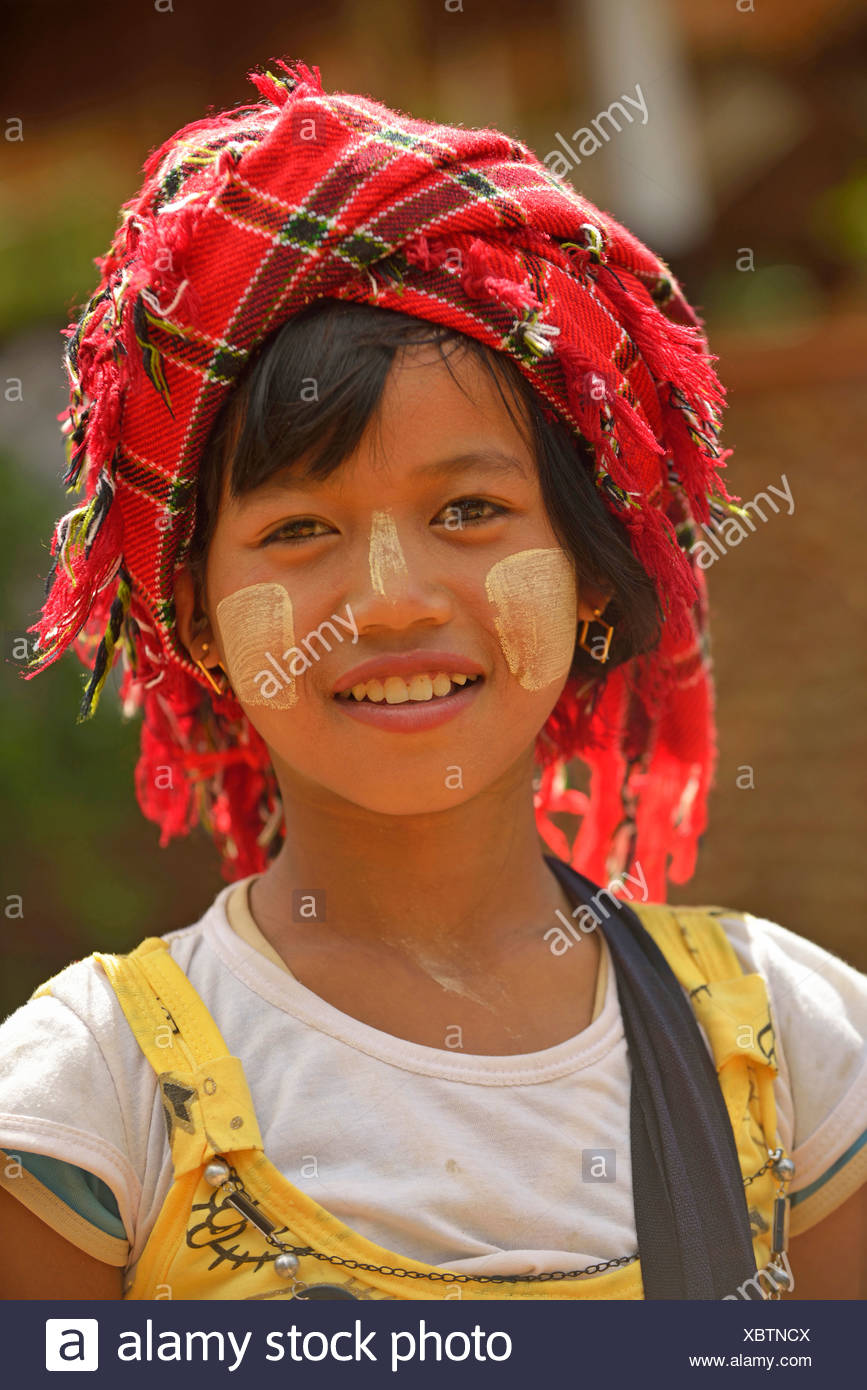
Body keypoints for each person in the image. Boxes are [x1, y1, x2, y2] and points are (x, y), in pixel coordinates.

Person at [0, 59, 864, 1302]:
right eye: (301, 530)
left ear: (589, 575)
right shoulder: (93, 1103)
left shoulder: (796, 1058)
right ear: (195, 619)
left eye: (471, 509)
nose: (393, 598)